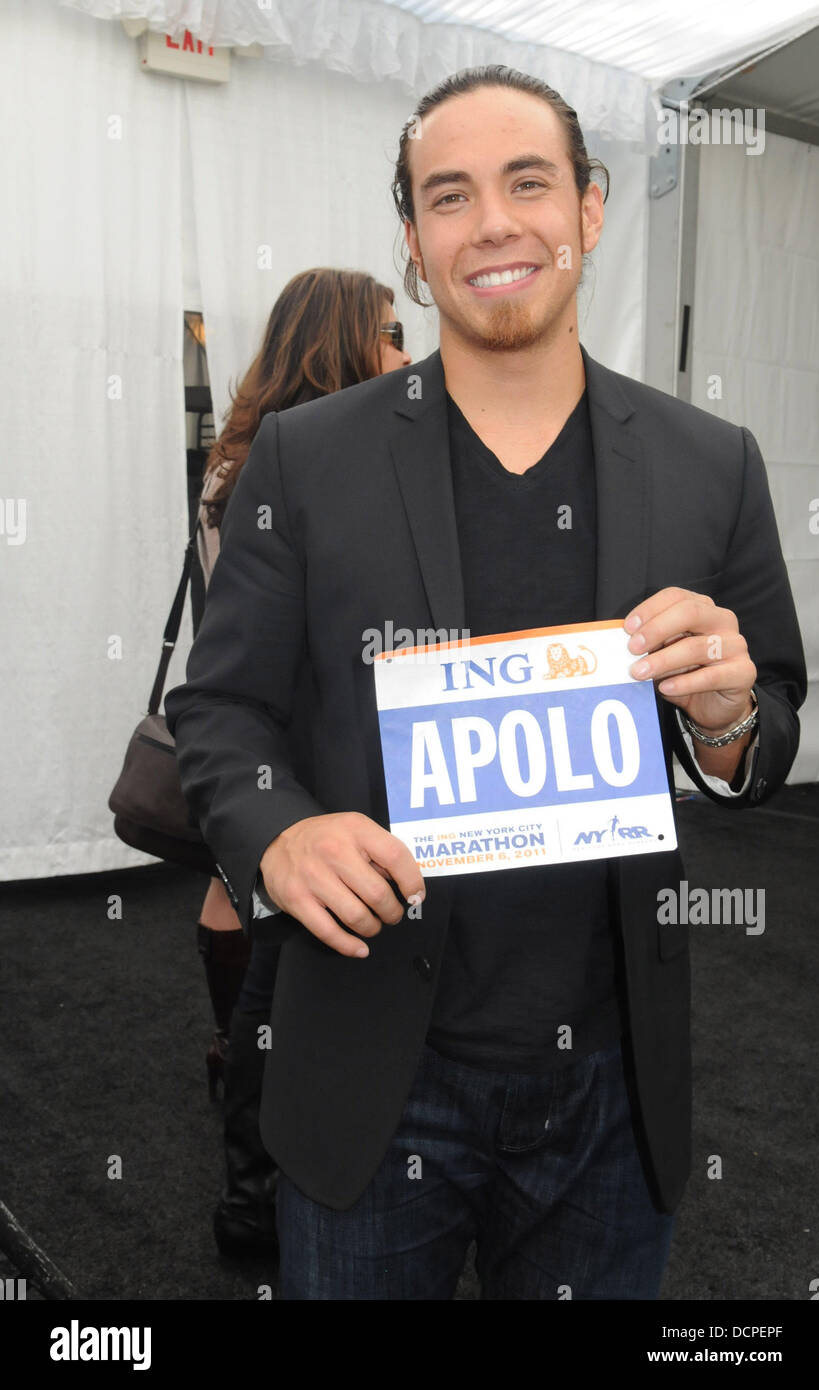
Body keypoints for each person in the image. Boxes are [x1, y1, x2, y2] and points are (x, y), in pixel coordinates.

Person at [167, 66, 806, 1299]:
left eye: (528, 182)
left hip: (614, 1094)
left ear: (592, 208)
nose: (494, 223)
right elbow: (220, 708)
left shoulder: (709, 464)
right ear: (412, 240)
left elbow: (767, 719)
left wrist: (727, 722)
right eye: (448, 196)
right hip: (370, 1071)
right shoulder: (308, 458)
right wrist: (278, 833)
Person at [192, 267, 411, 1254]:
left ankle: (250, 1177)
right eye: (393, 333)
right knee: (285, 985)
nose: (407, 353)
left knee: (258, 973)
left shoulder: (239, 458)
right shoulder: (311, 466)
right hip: (297, 773)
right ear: (345, 343)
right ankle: (256, 1202)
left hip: (265, 767)